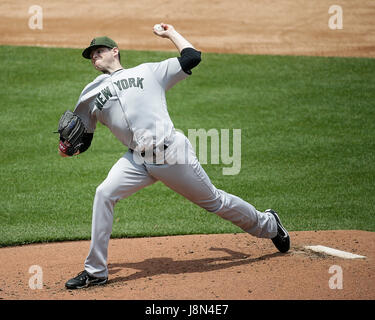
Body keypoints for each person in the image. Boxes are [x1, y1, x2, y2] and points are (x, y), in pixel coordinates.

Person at [61, 23, 290, 290]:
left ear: (115, 51)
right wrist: (68, 147)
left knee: (214, 201)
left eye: (98, 51)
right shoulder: (90, 93)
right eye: (91, 55)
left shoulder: (148, 71)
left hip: (171, 155)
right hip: (136, 159)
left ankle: (270, 224)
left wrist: (170, 33)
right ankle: (96, 271)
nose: (94, 57)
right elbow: (82, 136)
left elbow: (192, 57)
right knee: (104, 193)